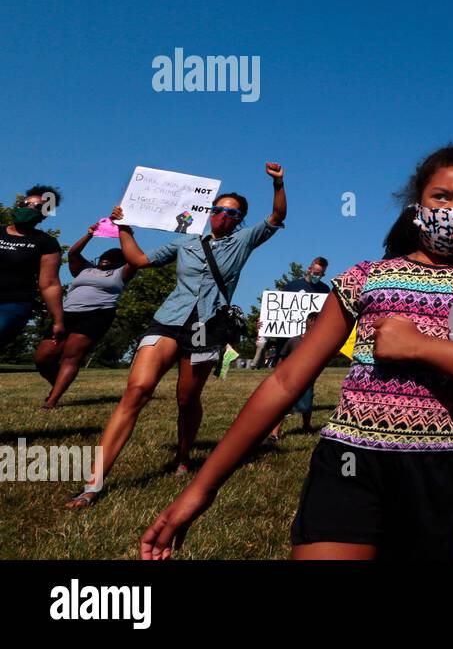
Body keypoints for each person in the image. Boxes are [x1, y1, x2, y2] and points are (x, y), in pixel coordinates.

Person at [140, 144, 453, 560]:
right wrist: (203, 489)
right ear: (418, 203)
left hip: (435, 467)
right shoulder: (364, 277)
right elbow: (287, 379)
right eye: (442, 197)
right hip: (349, 460)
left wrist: (418, 346)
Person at [67, 163, 287, 507]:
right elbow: (139, 260)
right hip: (168, 320)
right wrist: (125, 226)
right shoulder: (186, 242)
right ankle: (93, 484)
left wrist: (278, 184)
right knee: (136, 391)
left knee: (186, 398)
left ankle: (183, 456)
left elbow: (276, 216)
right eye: (219, 210)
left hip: (205, 327)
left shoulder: (242, 243)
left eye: (233, 213)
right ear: (209, 213)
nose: (224, 216)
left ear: (240, 219)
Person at [34, 226, 137, 408]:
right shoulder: (85, 269)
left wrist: (125, 233)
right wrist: (89, 234)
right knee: (43, 357)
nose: (106, 259)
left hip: (96, 315)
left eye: (112, 258)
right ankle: (58, 384)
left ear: (120, 262)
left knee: (71, 356)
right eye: (104, 256)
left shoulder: (120, 274)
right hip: (67, 313)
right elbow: (73, 253)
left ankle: (52, 401)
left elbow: (134, 259)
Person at [0, 186, 65, 352]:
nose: (28, 208)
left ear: (44, 214)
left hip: (12, 304)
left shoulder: (46, 243)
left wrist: (58, 320)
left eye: (36, 207)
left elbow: (49, 283)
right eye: (25, 204)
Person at [268, 310, 319, 440]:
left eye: (316, 322)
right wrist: (278, 374)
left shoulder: (319, 343)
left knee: (307, 404)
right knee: (284, 405)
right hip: (291, 377)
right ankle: (274, 433)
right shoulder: (294, 341)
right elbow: (282, 358)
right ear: (307, 323)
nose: (313, 324)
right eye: (311, 321)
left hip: (308, 378)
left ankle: (306, 425)